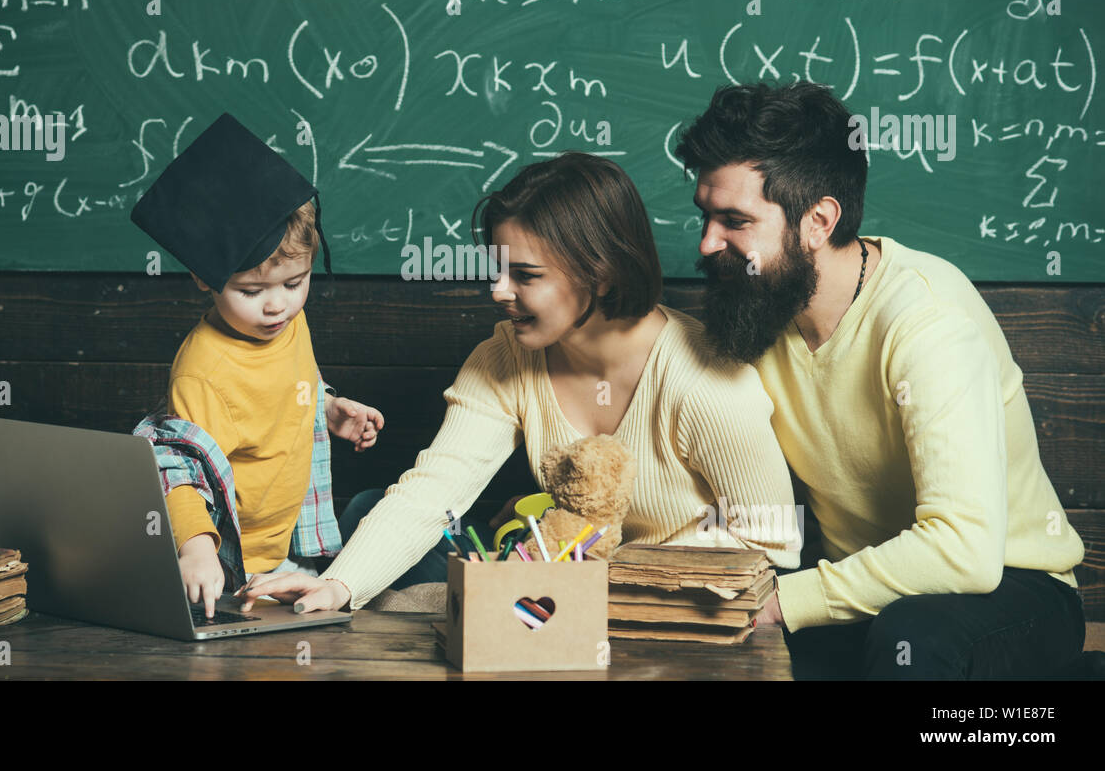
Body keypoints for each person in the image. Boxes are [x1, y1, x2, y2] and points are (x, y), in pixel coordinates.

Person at [238, 152, 801, 615]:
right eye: (498, 267)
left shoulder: (705, 379)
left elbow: (775, 540)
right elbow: (438, 486)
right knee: (371, 513)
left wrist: (606, 572)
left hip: (667, 607)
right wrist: (338, 587)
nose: (499, 291)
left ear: (600, 272)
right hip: (548, 588)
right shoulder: (507, 356)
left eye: (526, 275)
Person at [675, 81, 1087, 679]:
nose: (708, 243)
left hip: (1013, 587)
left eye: (734, 220)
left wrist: (788, 601)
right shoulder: (754, 310)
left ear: (818, 220)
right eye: (706, 217)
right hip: (868, 592)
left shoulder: (927, 321)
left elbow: (964, 551)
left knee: (913, 640)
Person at [131, 112, 384, 618]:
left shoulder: (289, 323)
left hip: (287, 552)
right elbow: (179, 469)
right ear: (204, 278)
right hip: (221, 561)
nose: (277, 307)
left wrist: (328, 408)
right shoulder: (202, 371)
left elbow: (293, 387)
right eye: (251, 291)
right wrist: (197, 551)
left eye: (295, 283)